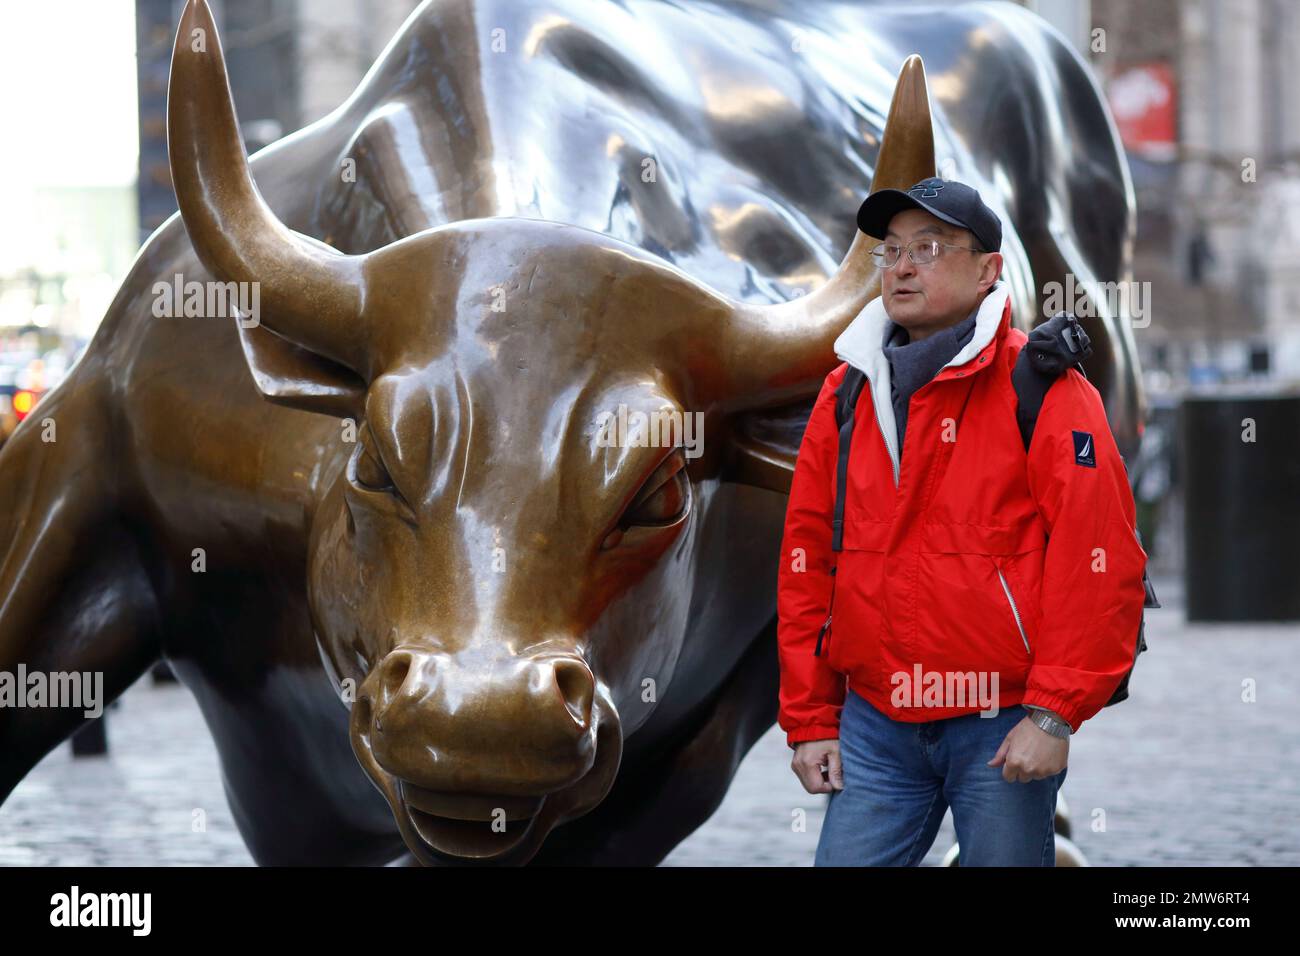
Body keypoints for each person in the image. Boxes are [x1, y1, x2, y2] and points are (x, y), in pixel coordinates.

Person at [776, 176, 1148, 866]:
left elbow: (1099, 559)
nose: (903, 266)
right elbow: (806, 558)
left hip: (1001, 722)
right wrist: (809, 719)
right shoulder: (847, 389)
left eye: (930, 247)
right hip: (874, 722)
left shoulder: (1040, 385)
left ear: (987, 272)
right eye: (890, 251)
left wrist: (1053, 714)